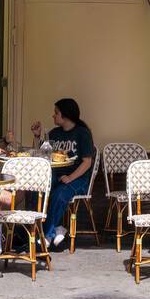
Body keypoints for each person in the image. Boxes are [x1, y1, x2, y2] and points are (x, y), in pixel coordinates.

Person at [28, 98, 95, 249]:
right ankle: (52, 229)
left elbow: (87, 162)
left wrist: (70, 177)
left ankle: (47, 236)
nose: (53, 116)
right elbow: (41, 154)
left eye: (56, 113)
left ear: (65, 115)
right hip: (56, 177)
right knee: (36, 192)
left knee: (58, 195)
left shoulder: (82, 133)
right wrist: (37, 136)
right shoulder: (54, 133)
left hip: (77, 178)